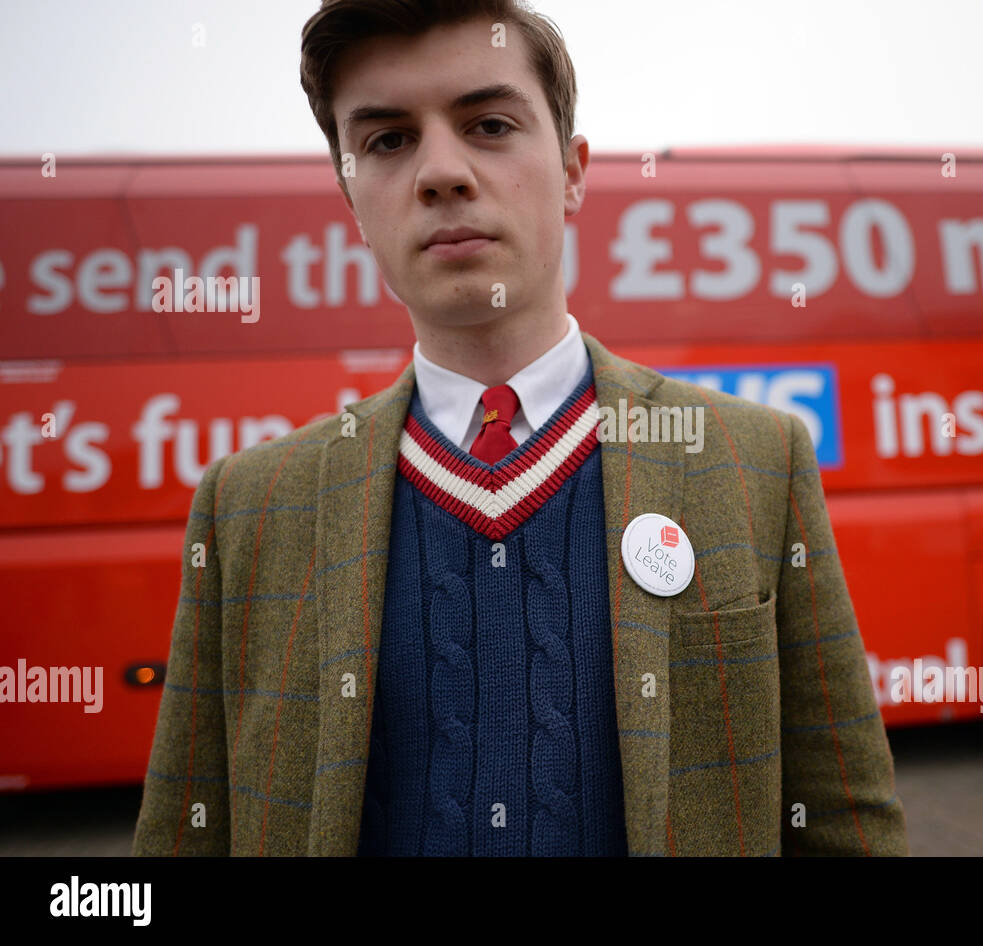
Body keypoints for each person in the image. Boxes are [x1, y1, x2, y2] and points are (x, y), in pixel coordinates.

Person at [132, 0, 908, 857]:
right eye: (387, 140)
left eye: (490, 123)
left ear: (574, 172)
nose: (441, 171)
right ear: (350, 197)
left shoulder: (756, 461)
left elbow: (846, 822)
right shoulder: (247, 507)